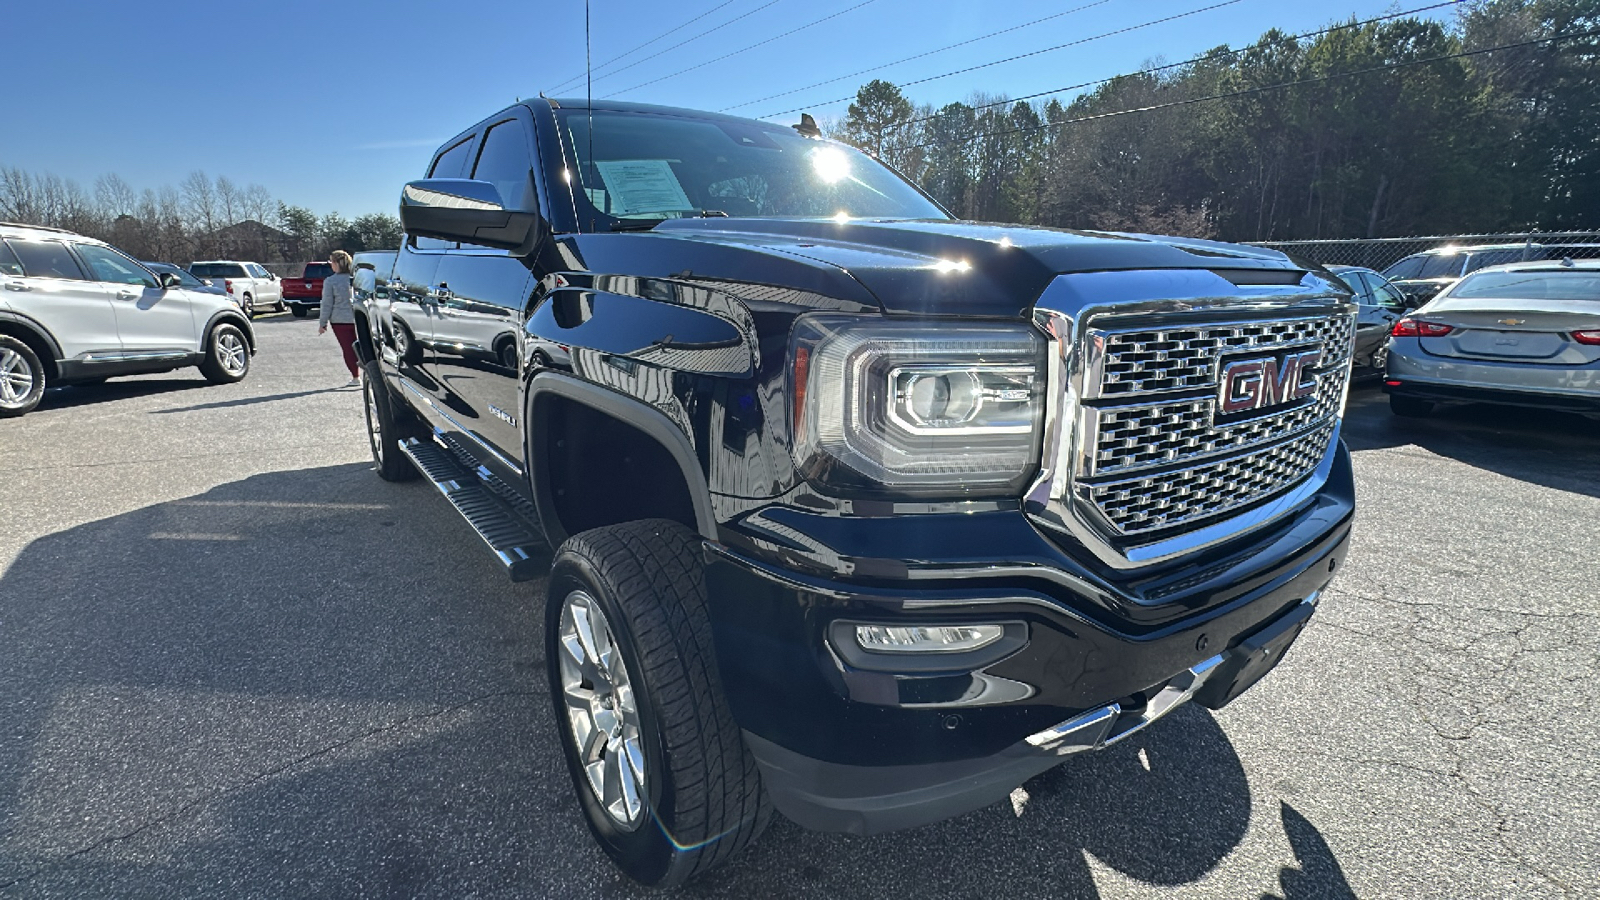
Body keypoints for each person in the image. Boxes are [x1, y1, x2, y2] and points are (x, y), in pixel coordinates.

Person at [318, 250, 360, 387]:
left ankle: (355, 377)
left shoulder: (330, 281)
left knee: (348, 349)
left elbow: (327, 303)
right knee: (364, 348)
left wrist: (322, 323)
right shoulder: (357, 279)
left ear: (336, 263)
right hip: (359, 318)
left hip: (340, 321)